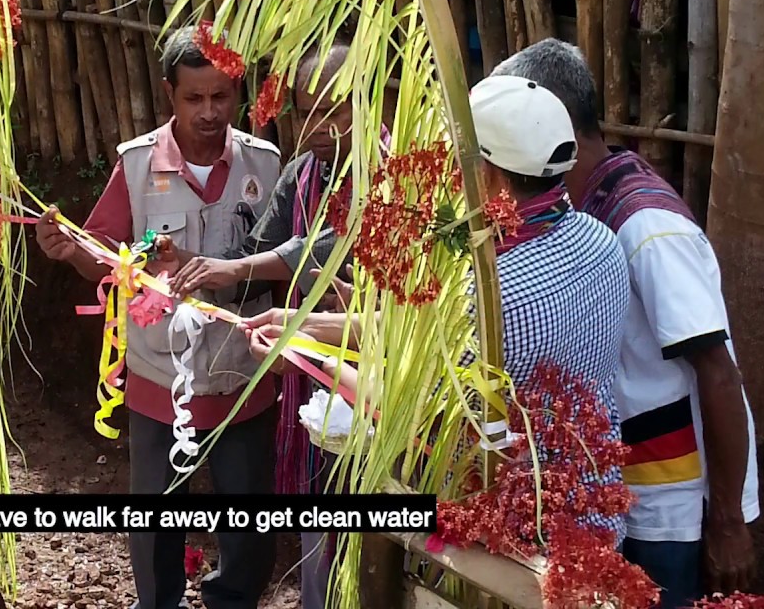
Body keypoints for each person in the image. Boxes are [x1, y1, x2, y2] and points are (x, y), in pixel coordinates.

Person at [244, 74, 634, 541]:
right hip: (592, 510)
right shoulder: (602, 241)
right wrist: (304, 325)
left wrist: (309, 359)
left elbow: (402, 405)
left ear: (485, 174)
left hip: (508, 536)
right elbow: (415, 336)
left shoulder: (486, 296)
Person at [490, 38, 760, 608]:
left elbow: (718, 371)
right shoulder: (579, 209)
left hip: (670, 500)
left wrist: (729, 521)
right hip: (617, 486)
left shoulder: (646, 227)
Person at [34, 24, 282, 609]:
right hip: (157, 379)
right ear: (169, 93)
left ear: (237, 96)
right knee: (154, 519)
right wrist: (70, 250)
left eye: (221, 97)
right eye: (194, 98)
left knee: (247, 521)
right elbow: (103, 254)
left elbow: (288, 259)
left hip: (242, 376)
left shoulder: (266, 166)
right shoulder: (139, 166)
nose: (209, 112)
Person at [153, 42, 378, 609]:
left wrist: (234, 266)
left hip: (375, 376)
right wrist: (193, 269)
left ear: (368, 101)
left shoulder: (391, 173)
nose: (320, 126)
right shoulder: (302, 173)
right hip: (308, 375)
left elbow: (327, 244)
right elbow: (262, 251)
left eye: (336, 110)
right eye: (306, 111)